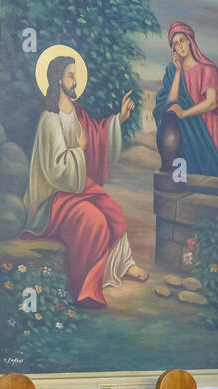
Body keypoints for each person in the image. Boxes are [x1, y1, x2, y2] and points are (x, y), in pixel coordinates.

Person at [22, 54, 147, 309]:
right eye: (70, 75)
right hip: (53, 198)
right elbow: (56, 169)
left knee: (114, 212)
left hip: (76, 188)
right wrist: (79, 150)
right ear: (58, 80)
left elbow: (97, 133)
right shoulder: (50, 119)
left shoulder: (77, 113)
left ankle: (121, 264)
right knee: (95, 222)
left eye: (75, 75)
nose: (75, 80)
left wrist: (118, 121)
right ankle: (86, 289)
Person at [154, 22, 218, 177]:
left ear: (189, 40)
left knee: (208, 176)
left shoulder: (208, 68)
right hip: (184, 129)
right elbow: (171, 104)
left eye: (182, 40)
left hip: (206, 127)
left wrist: (184, 113)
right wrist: (178, 71)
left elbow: (211, 103)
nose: (180, 46)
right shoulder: (172, 69)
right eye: (175, 44)